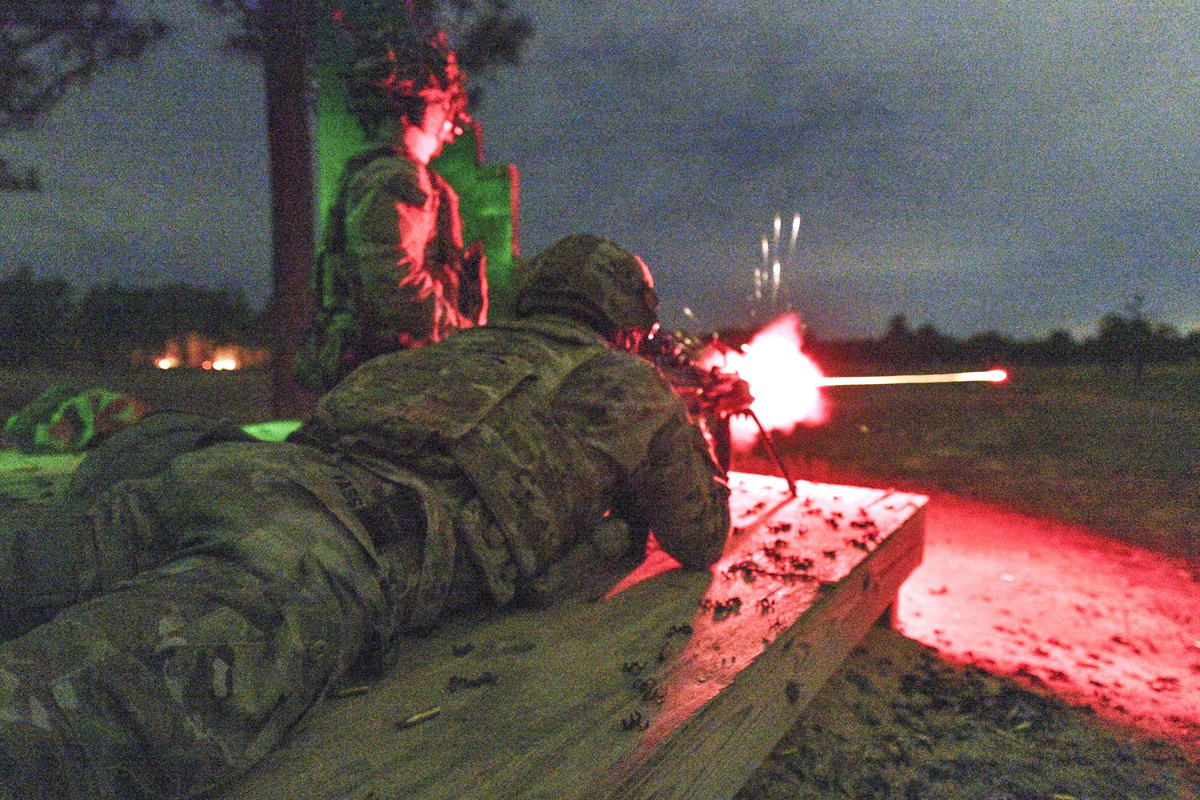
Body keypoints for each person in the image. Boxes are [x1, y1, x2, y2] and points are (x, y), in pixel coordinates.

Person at [0, 234, 731, 800]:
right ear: (631, 323)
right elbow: (700, 537)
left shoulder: (458, 348)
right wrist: (688, 425)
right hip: (327, 546)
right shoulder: (629, 385)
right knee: (55, 720)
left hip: (229, 473)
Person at [294, 30, 489, 394]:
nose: (451, 125)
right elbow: (396, 284)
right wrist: (460, 334)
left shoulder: (382, 172)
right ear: (419, 106)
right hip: (392, 377)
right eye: (444, 105)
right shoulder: (397, 175)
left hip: (387, 372)